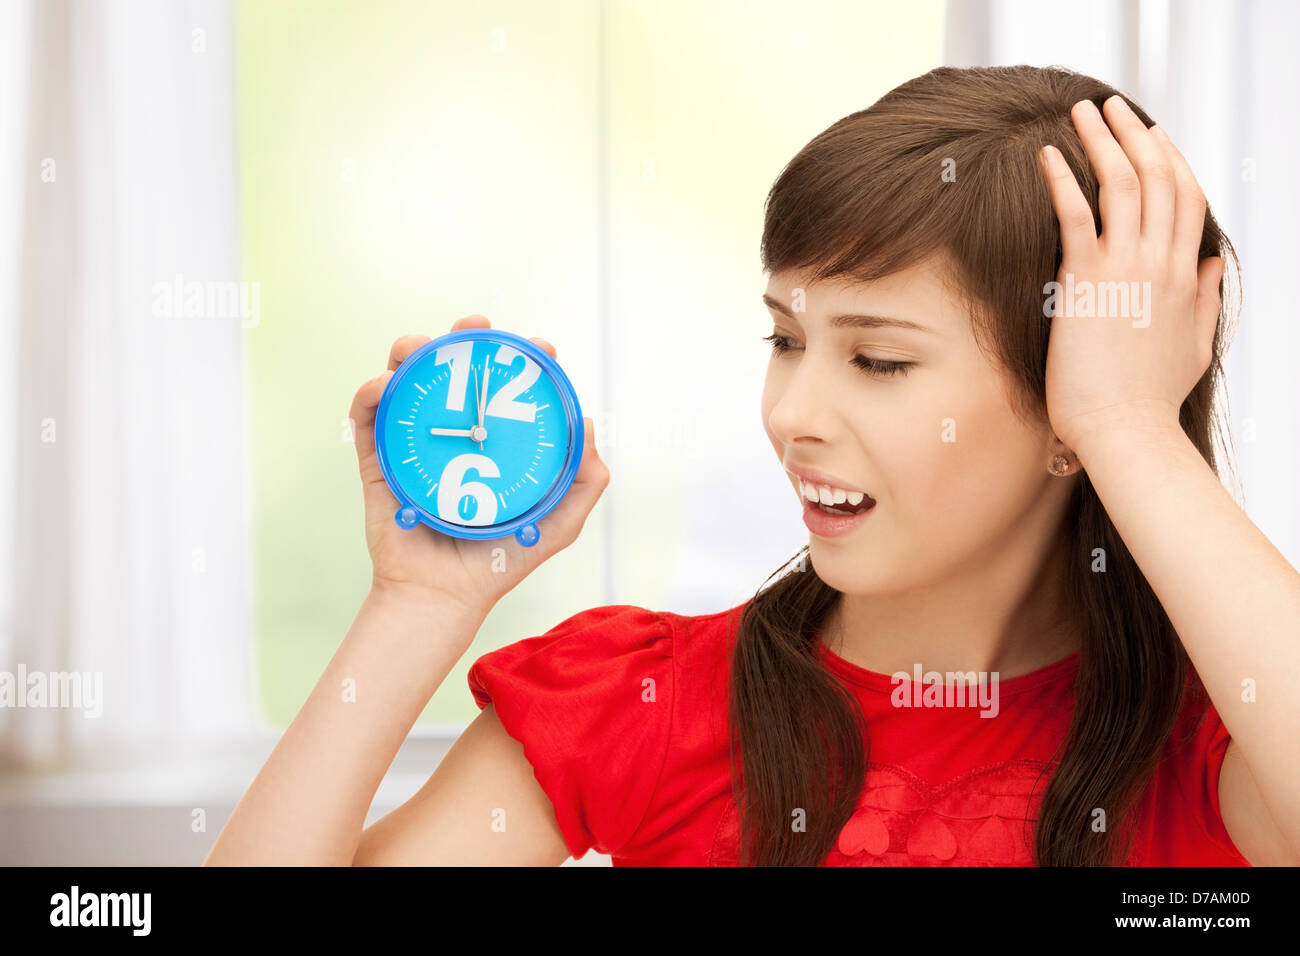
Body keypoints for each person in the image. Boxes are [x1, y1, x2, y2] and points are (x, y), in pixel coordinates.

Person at [205, 64, 1300, 867]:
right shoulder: (649, 702)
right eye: (784, 337)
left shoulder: (1216, 742)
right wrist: (415, 602)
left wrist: (1128, 425)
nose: (791, 412)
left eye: (877, 358)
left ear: (1070, 404)